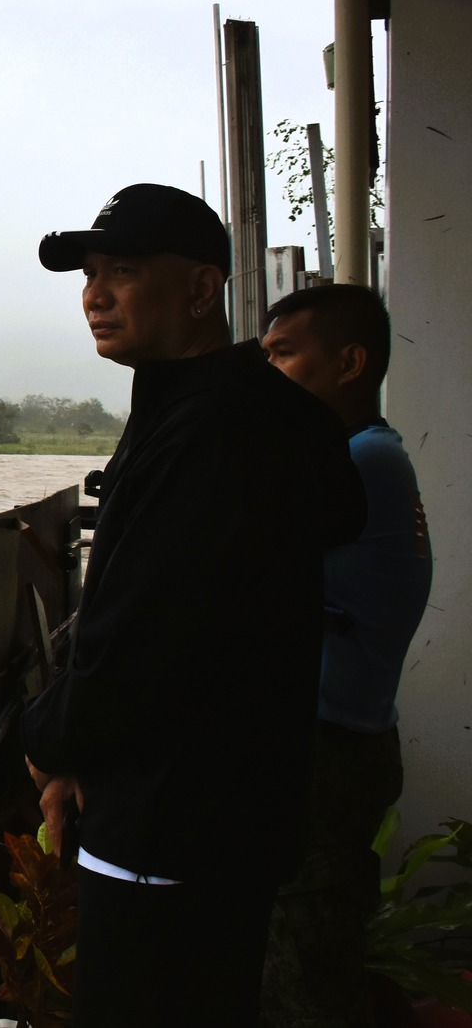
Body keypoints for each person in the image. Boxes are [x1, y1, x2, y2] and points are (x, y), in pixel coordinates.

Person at [19, 184, 366, 1027]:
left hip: (168, 831)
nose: (96, 294)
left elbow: (138, 642)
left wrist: (45, 740)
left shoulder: (208, 432)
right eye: (90, 273)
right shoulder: (242, 410)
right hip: (226, 818)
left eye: (125, 270)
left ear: (202, 289)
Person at [259, 284, 433, 1027]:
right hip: (340, 739)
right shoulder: (368, 455)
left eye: (285, 354)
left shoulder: (356, 463)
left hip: (326, 753)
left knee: (305, 978)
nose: (270, 373)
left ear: (350, 362)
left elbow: (220, 544)